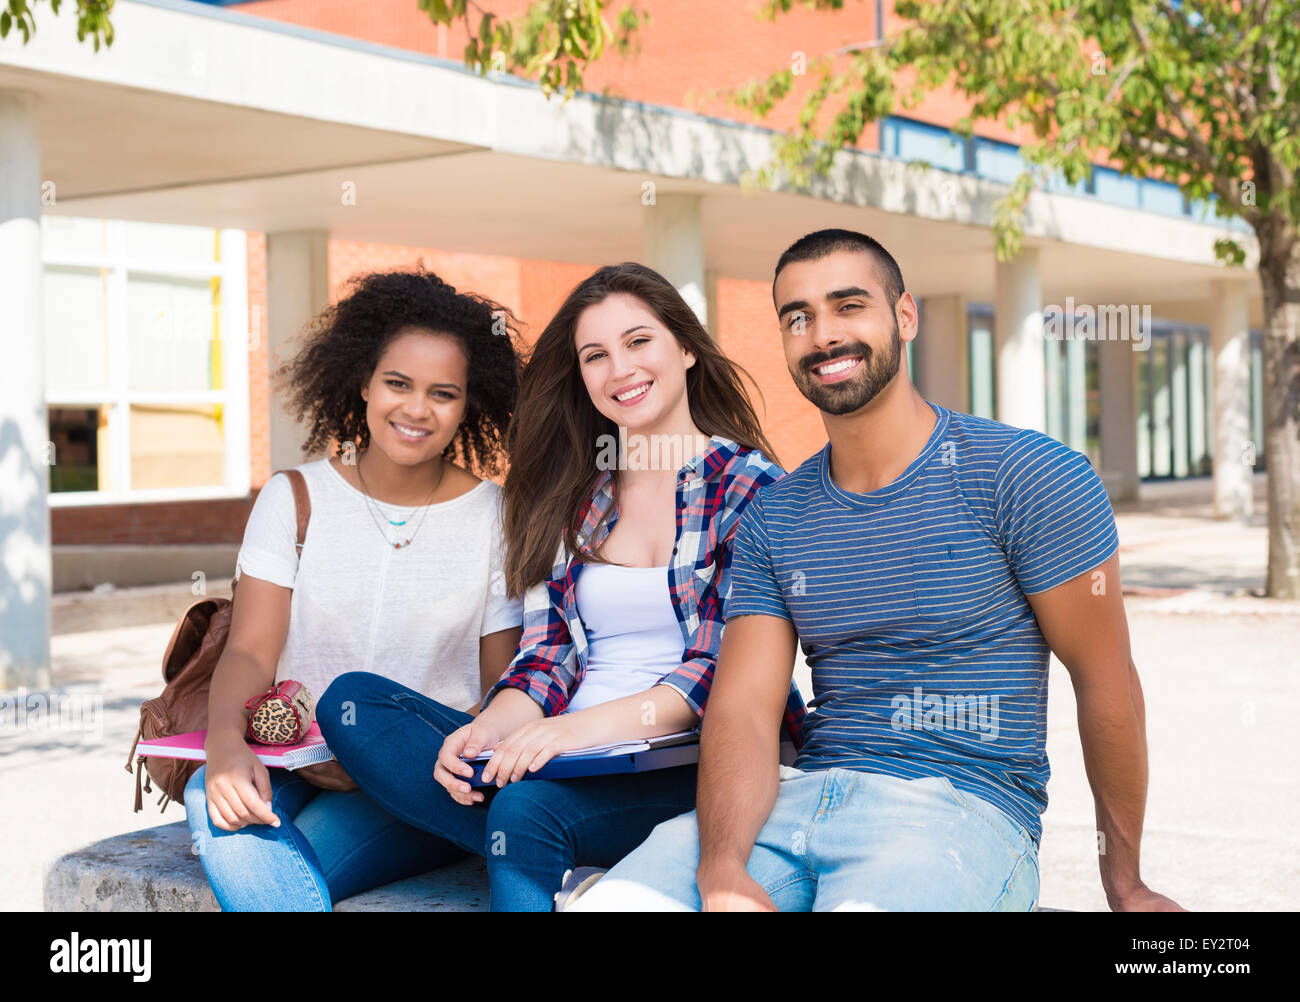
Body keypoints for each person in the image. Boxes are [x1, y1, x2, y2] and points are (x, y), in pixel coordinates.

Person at [570, 229, 1185, 912]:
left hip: (956, 817)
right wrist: (721, 871)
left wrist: (1125, 884)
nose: (822, 334)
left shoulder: (1027, 475)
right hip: (796, 800)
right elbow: (744, 708)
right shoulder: (778, 514)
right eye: (797, 317)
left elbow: (1107, 681)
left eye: (848, 305)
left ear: (906, 316)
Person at [318, 261, 806, 911]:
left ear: (686, 348)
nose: (619, 370)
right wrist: (491, 728)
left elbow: (719, 674)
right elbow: (549, 657)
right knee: (356, 704)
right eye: (595, 355)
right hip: (564, 757)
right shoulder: (580, 498)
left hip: (684, 763)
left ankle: (522, 839)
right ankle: (555, 859)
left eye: (638, 342)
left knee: (524, 812)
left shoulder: (753, 489)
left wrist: (569, 735)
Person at [183, 267, 525, 911]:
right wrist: (226, 746)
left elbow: (501, 691)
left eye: (442, 393)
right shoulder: (294, 499)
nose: (416, 409)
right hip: (291, 759)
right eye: (398, 383)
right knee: (212, 790)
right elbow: (251, 654)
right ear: (364, 382)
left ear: (468, 404)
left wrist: (379, 758)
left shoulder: (496, 518)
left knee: (292, 852)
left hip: (420, 781)